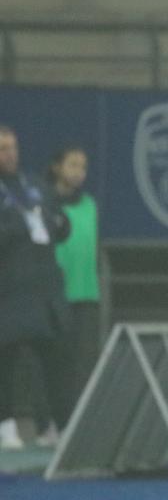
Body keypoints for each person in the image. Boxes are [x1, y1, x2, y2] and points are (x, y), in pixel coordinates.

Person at [0, 126, 72, 451]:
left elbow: (60, 222)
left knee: (54, 359)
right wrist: (19, 226)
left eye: (13, 147)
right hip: (9, 291)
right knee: (7, 361)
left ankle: (53, 425)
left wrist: (56, 223)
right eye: (3, 148)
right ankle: (6, 425)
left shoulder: (35, 186)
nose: (10, 154)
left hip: (44, 291)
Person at [39, 145, 100, 445]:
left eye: (83, 166)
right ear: (57, 168)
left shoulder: (90, 204)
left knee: (83, 363)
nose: (79, 172)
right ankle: (51, 423)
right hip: (54, 296)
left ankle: (78, 425)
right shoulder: (44, 203)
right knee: (55, 363)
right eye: (73, 165)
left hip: (86, 295)